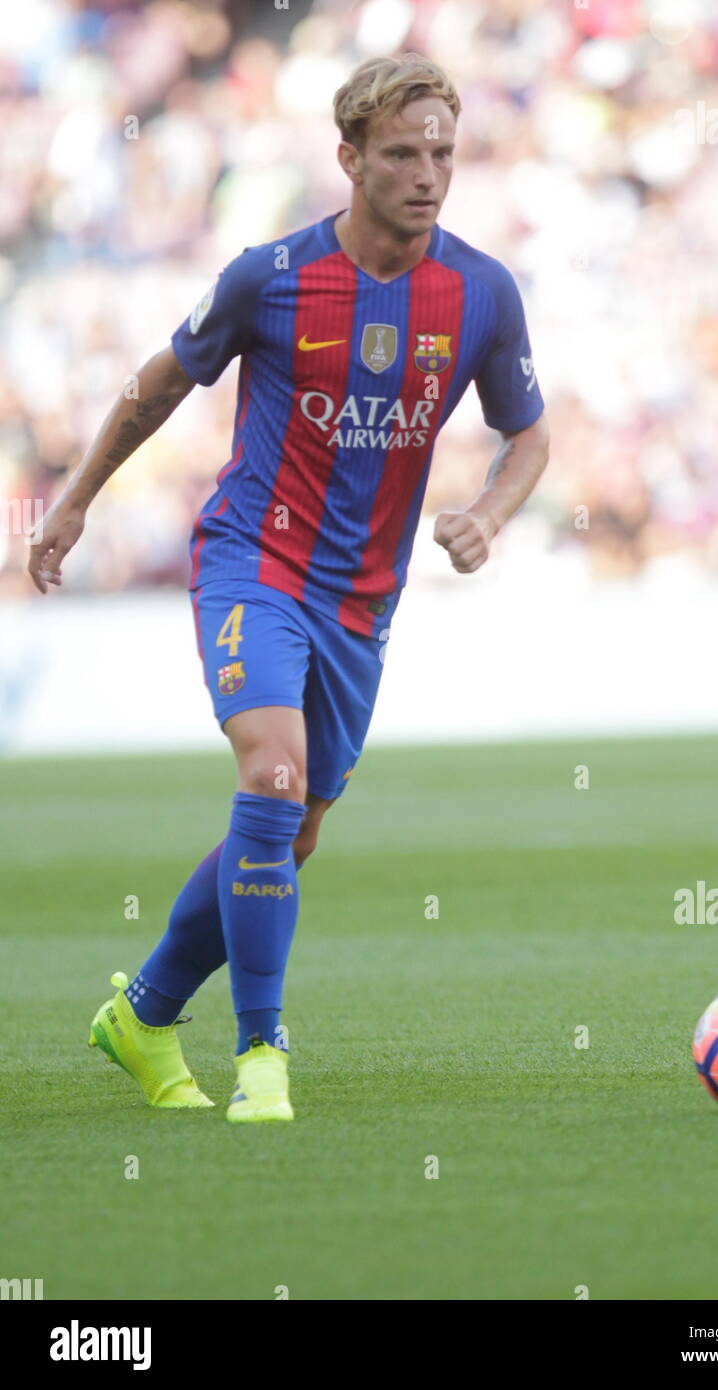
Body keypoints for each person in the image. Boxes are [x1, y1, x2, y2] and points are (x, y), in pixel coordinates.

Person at [27, 52, 549, 1124]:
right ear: (348, 157)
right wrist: (75, 498)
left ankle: (141, 1010)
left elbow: (529, 433)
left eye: (441, 152)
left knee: (290, 833)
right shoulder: (267, 278)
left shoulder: (481, 293)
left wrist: (485, 516)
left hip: (363, 601)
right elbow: (156, 383)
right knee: (269, 779)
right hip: (252, 566)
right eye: (402, 153)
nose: (427, 174)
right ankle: (261, 1053)